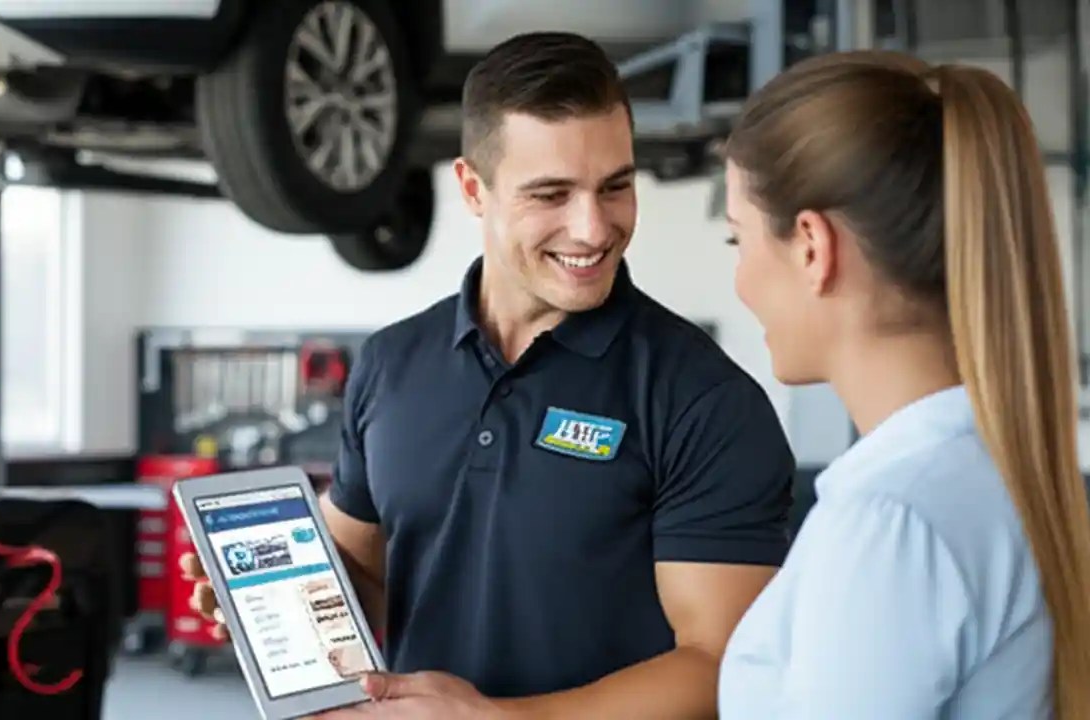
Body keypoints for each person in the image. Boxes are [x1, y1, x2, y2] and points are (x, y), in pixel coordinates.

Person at [181, 31, 796, 717]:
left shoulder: (702, 399)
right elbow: (365, 570)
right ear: (474, 188)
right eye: (551, 194)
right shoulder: (392, 364)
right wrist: (271, 600)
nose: (593, 228)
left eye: (615, 186)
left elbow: (721, 665)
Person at [715, 50, 1090, 719]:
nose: (738, 279)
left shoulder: (891, 521)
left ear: (811, 247)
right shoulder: (976, 470)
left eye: (736, 241)